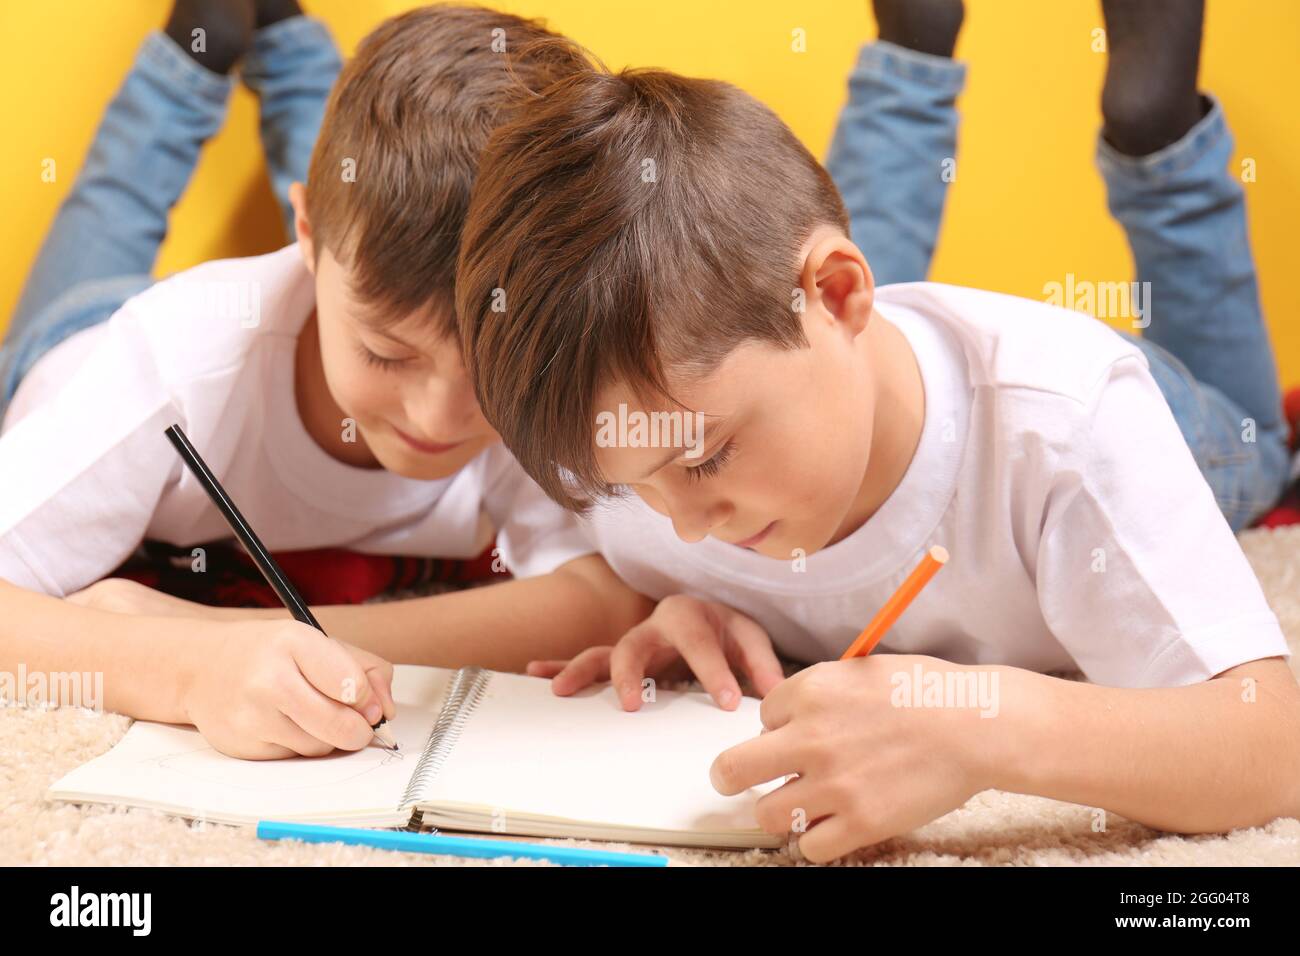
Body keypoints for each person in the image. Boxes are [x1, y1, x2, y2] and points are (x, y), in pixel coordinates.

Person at [451, 2, 1300, 862]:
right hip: (867, 361)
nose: (683, 526)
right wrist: (690, 608)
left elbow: (1271, 747)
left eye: (707, 459)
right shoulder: (651, 438)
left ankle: (1158, 142)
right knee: (804, 310)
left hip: (1160, 412)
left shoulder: (1070, 430)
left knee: (1252, 441)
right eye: (630, 486)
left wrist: (984, 727)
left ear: (837, 294)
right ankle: (908, 60)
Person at [0, 3, 651, 760]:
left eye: (490, 373)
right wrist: (181, 671)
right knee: (116, 205)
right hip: (75, 343)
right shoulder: (165, 364)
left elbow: (608, 599)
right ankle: (190, 60)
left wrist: (220, 632)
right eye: (386, 354)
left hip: (309, 279)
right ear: (301, 239)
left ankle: (289, 46)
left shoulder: (547, 330)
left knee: (365, 209)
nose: (439, 417)